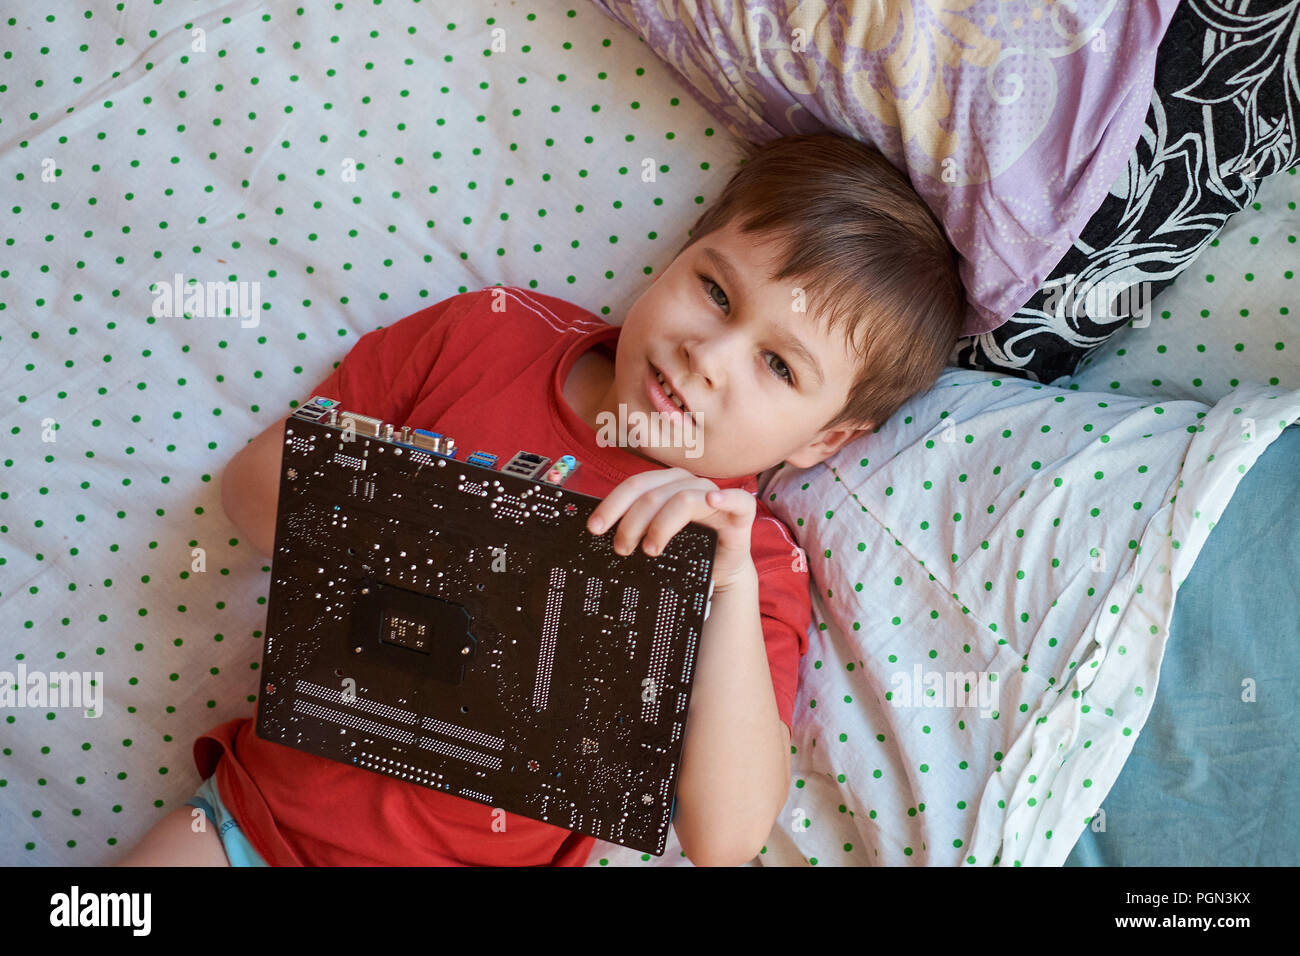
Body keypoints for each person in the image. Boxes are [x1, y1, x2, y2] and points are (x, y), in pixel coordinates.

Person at [115, 132, 967, 867]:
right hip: (249, 824)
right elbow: (247, 493)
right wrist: (398, 497)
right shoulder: (489, 332)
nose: (710, 355)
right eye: (714, 290)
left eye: (778, 367)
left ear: (823, 441)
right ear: (678, 252)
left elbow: (726, 835)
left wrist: (728, 592)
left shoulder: (747, 564)